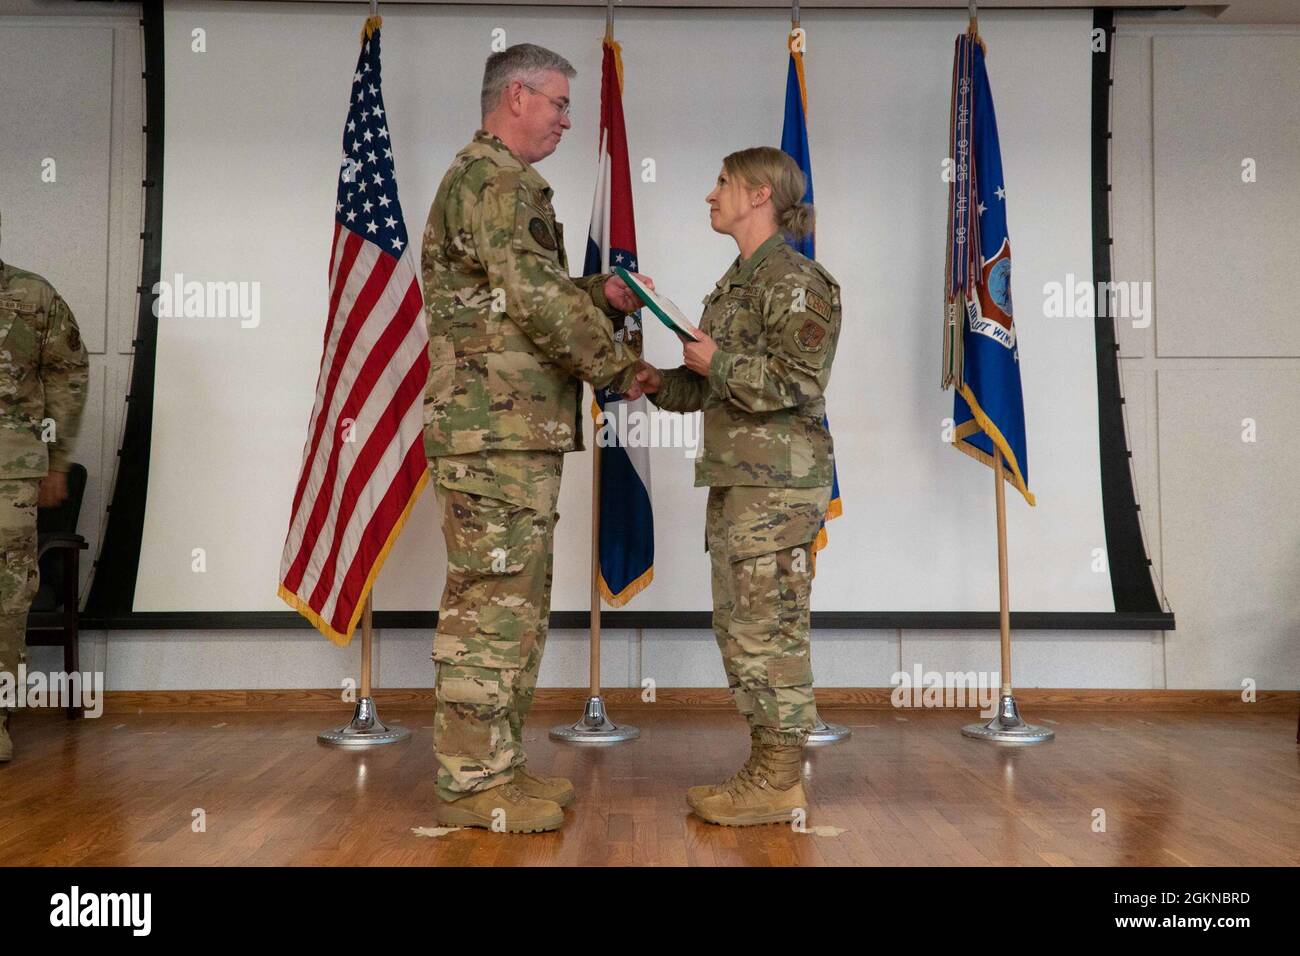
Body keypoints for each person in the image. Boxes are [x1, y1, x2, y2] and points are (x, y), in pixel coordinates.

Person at [421, 43, 652, 832]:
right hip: (493, 435)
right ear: (515, 96)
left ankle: (499, 769)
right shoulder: (495, 181)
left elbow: (527, 295)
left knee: (515, 605)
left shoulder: (496, 182)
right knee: (490, 606)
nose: (564, 117)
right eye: (556, 102)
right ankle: (469, 784)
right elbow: (538, 310)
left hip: (510, 433)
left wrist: (603, 293)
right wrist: (621, 370)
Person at [629, 148, 841, 826]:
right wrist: (661, 382)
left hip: (778, 487)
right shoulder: (735, 283)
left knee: (770, 629)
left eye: (721, 182)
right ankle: (764, 767)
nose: (709, 195)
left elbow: (796, 384)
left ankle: (781, 779)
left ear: (757, 195)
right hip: (739, 484)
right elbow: (715, 382)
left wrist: (717, 361)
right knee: (741, 628)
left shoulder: (799, 282)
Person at [0, 211, 90, 763]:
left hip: (8, 474)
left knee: (6, 601)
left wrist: (56, 459)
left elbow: (68, 372)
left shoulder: (33, 295)